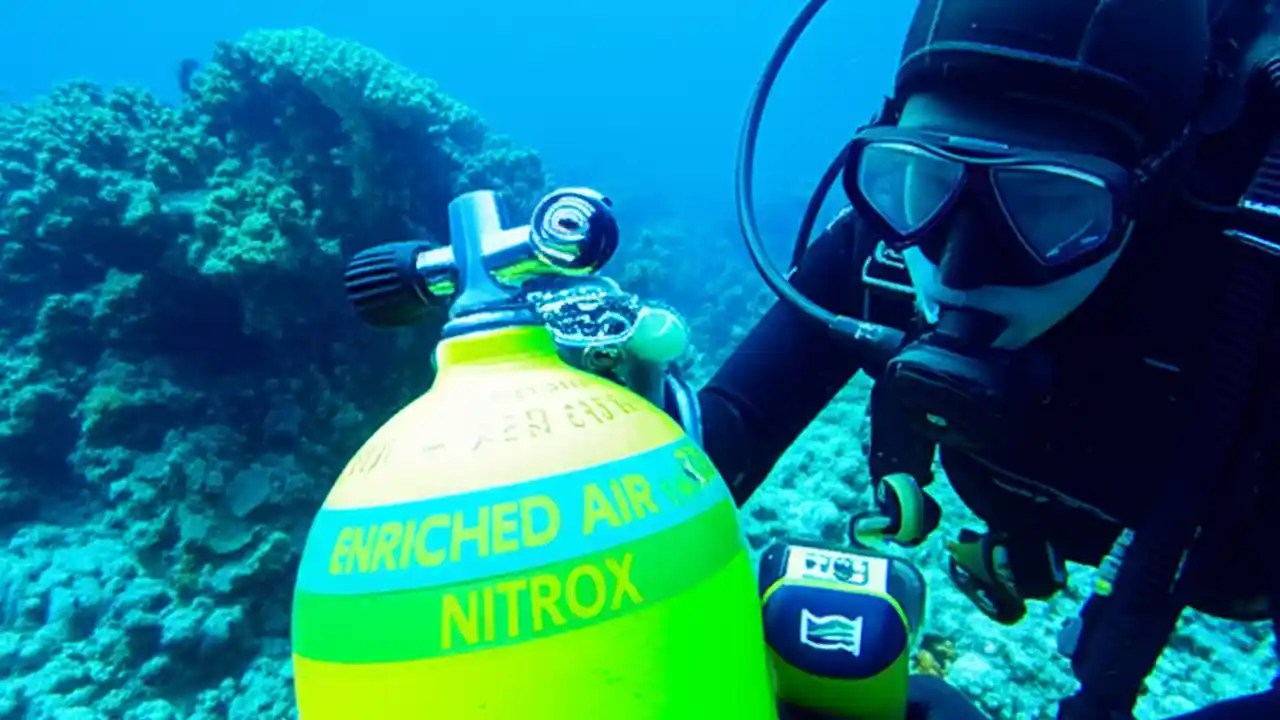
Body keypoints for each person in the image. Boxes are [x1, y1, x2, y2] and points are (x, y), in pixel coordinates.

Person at [679, 0, 1280, 718]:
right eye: (925, 177)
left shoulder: (1255, 311)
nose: (957, 269)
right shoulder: (890, 247)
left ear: (1152, 193)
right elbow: (713, 448)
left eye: (1050, 203)